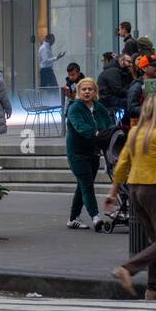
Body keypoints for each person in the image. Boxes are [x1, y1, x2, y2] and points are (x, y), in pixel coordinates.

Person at [105, 94, 156, 301]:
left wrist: (113, 192)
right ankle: (127, 269)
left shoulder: (134, 133)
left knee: (154, 240)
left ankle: (153, 289)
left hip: (134, 189)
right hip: (153, 190)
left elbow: (122, 164)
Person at [65, 78, 115, 231]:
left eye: (90, 89)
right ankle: (96, 217)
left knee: (83, 186)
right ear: (79, 92)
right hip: (77, 154)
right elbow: (81, 128)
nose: (87, 92)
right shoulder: (74, 108)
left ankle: (73, 218)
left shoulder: (99, 108)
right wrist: (98, 134)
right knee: (86, 184)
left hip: (94, 153)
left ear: (95, 92)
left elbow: (109, 125)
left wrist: (112, 134)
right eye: (84, 89)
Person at [126, 54, 156, 123]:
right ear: (144, 68)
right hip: (141, 128)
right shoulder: (137, 85)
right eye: (154, 65)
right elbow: (131, 109)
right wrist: (150, 109)